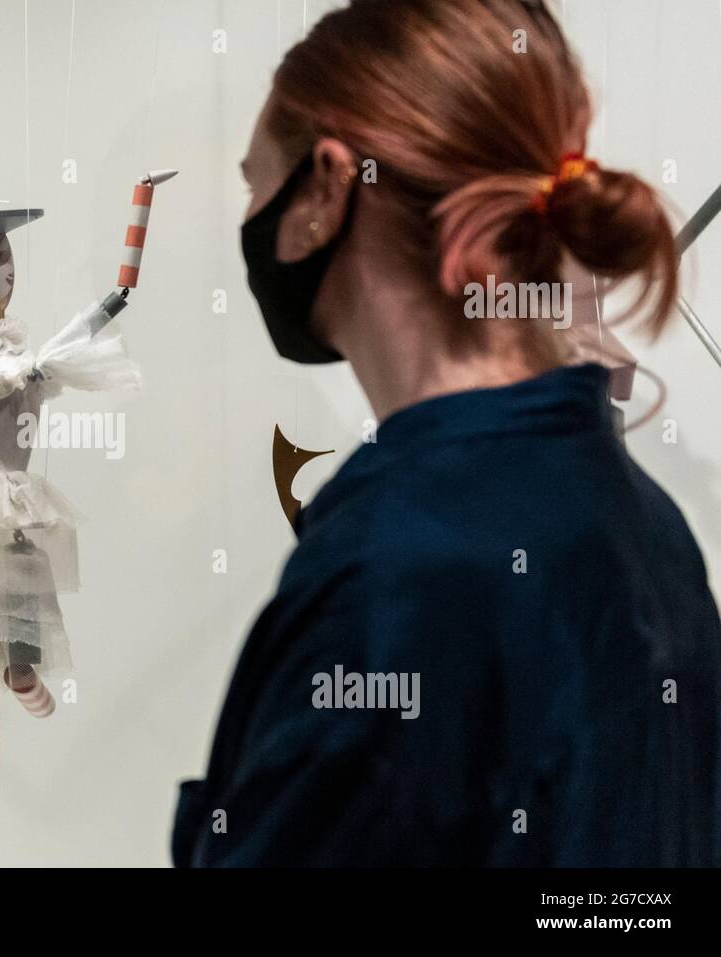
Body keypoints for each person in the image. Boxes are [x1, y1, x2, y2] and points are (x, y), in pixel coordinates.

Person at [172, 0, 720, 866]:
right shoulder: (653, 528)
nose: (250, 213)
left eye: (256, 182)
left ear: (325, 187)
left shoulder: (396, 573)